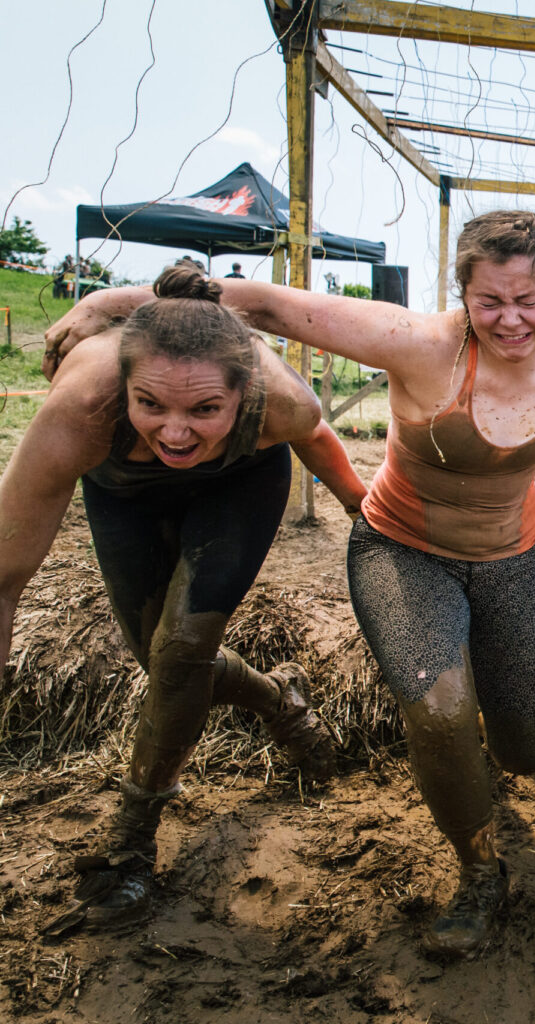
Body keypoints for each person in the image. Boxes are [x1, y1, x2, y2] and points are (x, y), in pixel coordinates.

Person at [49, 210, 535, 957]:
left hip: (511, 557)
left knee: (527, 752)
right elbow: (264, 304)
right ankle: (481, 871)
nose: (509, 320)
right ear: (462, 296)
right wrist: (105, 302)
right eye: (489, 301)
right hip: (402, 549)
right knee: (439, 712)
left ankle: (478, 761)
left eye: (527, 302)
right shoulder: (416, 342)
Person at [14, 266, 354, 936]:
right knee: (166, 664)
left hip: (238, 485)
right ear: (123, 387)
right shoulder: (80, 409)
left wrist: (357, 503)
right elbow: (5, 574)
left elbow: (312, 434)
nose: (174, 432)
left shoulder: (281, 401)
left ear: (243, 393)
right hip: (123, 495)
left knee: (181, 653)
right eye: (151, 405)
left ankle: (131, 841)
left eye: (203, 409)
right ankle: (279, 700)